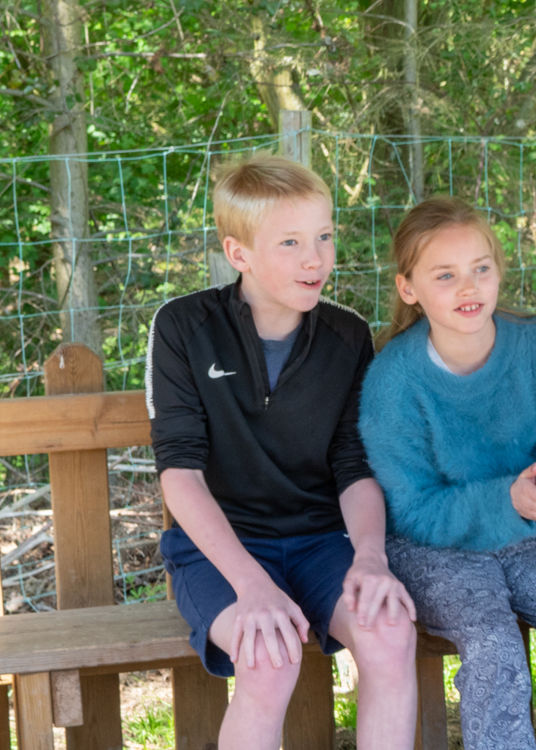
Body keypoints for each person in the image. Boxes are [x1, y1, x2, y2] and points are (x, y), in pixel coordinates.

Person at [147, 153, 417, 748]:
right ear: (239, 254)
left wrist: (370, 557)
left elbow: (354, 463)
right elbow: (181, 473)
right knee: (269, 658)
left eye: (324, 236)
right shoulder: (184, 328)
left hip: (322, 544)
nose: (315, 258)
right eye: (290, 242)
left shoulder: (347, 335)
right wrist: (251, 583)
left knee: (391, 631)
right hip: (220, 551)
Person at [359, 196, 536, 749]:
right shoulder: (392, 379)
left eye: (480, 269)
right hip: (435, 544)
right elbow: (411, 508)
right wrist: (504, 502)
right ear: (408, 288)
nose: (468, 288)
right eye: (445, 275)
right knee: (494, 650)